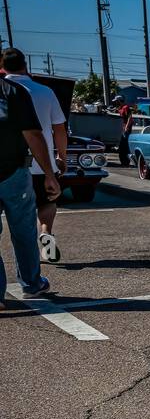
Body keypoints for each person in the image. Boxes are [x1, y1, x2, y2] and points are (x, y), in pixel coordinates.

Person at [2, 49, 68, 262]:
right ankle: (45, 232)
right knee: (47, 202)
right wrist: (61, 158)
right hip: (43, 163)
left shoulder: (4, 92)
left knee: (18, 216)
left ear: (2, 67)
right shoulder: (45, 92)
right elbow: (59, 129)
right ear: (25, 65)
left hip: (9, 164)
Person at [0, 73, 58, 304]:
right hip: (13, 171)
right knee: (25, 229)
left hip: (15, 172)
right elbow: (35, 133)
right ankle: (32, 282)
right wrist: (50, 173)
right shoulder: (13, 91)